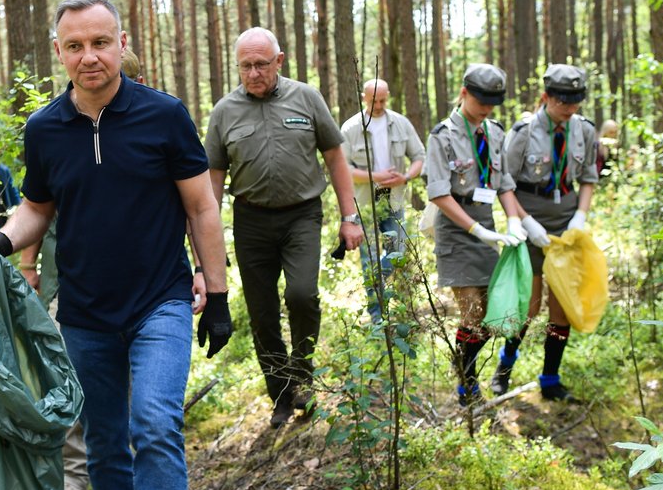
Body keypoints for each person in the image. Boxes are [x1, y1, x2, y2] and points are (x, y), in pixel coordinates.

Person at [0, 0, 232, 490]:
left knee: (154, 425)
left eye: (100, 42)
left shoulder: (164, 115)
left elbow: (201, 206)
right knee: (105, 441)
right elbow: (37, 208)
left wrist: (219, 293)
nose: (89, 56)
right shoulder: (44, 128)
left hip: (160, 301)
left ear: (121, 44)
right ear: (59, 52)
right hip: (85, 314)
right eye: (75, 46)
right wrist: (0, 240)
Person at [205, 27, 364, 428]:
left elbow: (335, 156)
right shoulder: (224, 111)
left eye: (261, 64)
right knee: (262, 313)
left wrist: (349, 217)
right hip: (250, 220)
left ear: (279, 61)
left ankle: (302, 377)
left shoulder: (306, 98)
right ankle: (280, 395)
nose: (253, 73)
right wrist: (209, 242)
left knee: (301, 294)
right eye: (245, 66)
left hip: (302, 216)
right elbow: (213, 179)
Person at [495, 64, 599, 402]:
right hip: (530, 220)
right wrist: (524, 222)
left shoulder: (584, 130)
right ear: (546, 97)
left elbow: (588, 178)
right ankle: (504, 367)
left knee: (563, 304)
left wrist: (580, 215)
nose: (570, 108)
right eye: (562, 101)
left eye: (575, 101)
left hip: (567, 224)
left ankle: (550, 380)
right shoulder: (523, 131)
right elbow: (504, 183)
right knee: (528, 305)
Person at [424, 63, 524, 407]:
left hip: (487, 226)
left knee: (492, 314)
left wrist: (514, 221)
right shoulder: (442, 136)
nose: (487, 110)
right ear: (464, 93)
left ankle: (468, 369)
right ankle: (467, 386)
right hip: (456, 230)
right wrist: (475, 229)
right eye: (481, 102)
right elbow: (439, 193)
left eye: (492, 104)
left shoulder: (494, 132)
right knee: (472, 313)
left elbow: (504, 183)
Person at [339, 78, 426, 323]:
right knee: (368, 258)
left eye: (383, 100)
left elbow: (419, 156)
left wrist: (405, 177)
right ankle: (377, 316)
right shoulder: (350, 128)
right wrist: (375, 176)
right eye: (373, 101)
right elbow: (343, 169)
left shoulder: (400, 123)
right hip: (364, 202)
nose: (378, 105)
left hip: (394, 199)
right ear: (364, 98)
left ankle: (394, 302)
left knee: (397, 252)